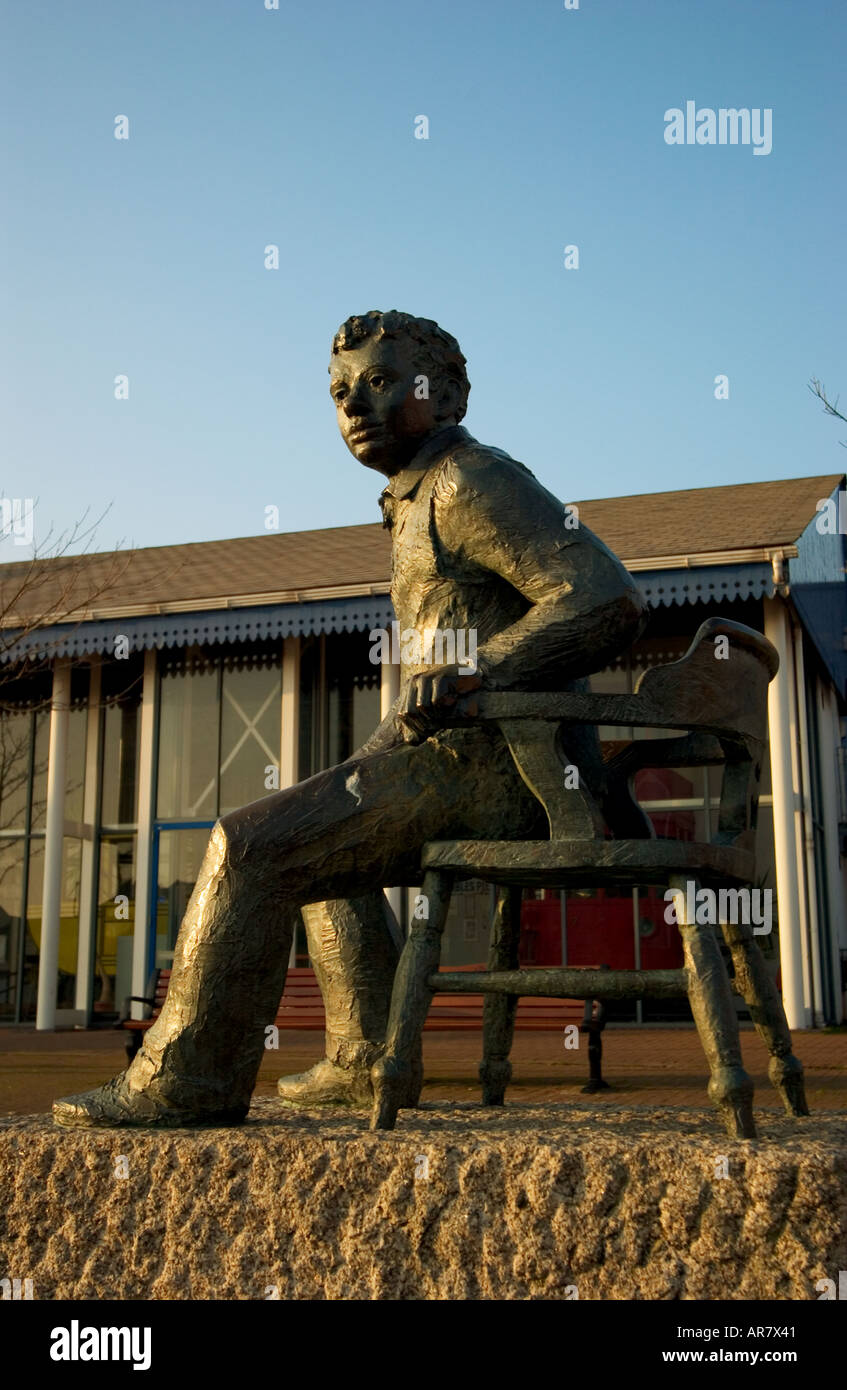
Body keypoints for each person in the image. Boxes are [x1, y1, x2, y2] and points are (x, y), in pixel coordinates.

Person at [53, 310, 646, 1127]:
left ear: (450, 394)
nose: (356, 406)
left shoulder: (472, 482)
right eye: (339, 393)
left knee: (249, 845)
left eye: (380, 382)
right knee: (315, 836)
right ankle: (364, 1060)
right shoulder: (413, 501)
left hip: (513, 775)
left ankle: (184, 1082)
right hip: (463, 761)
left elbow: (606, 598)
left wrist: (477, 672)